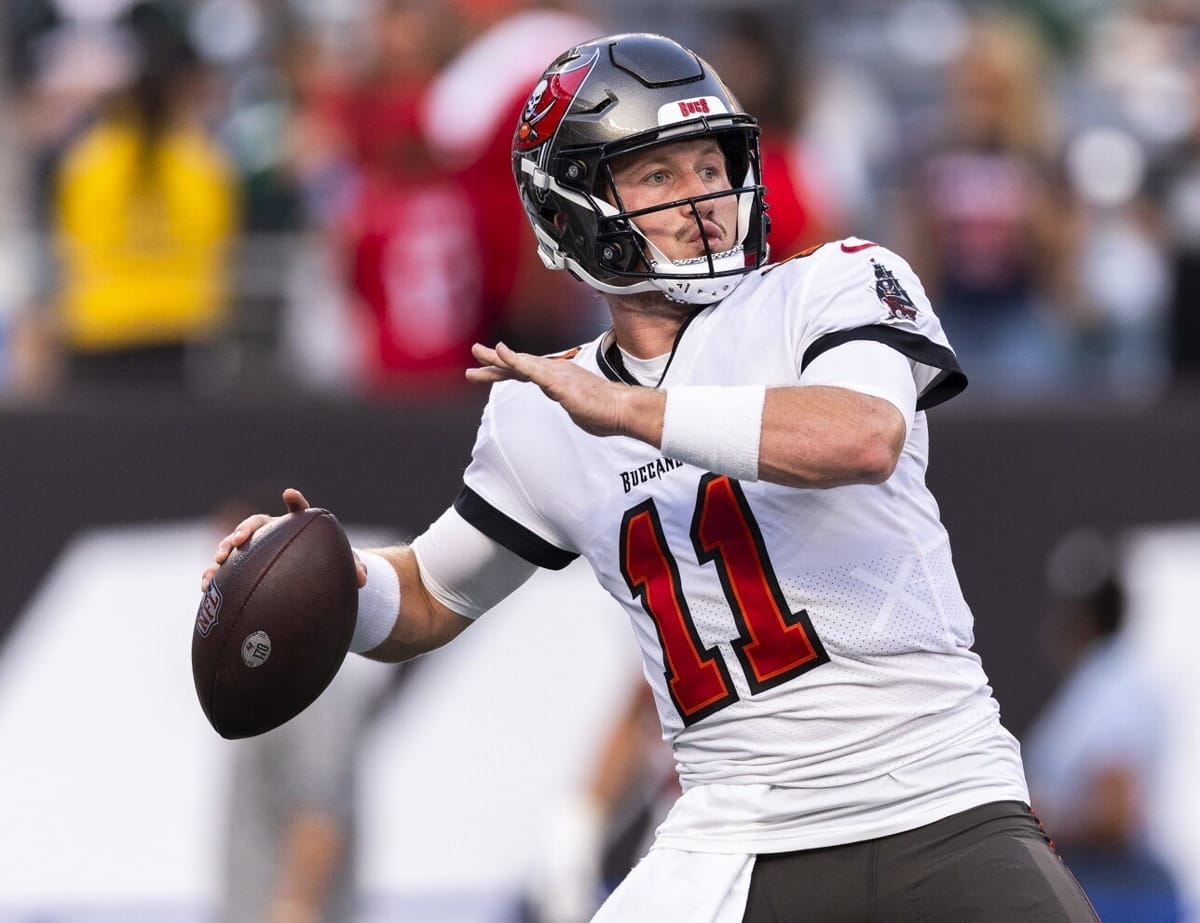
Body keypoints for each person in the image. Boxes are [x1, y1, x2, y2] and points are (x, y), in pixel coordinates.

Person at [204, 33, 1099, 921]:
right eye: (659, 175)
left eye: (711, 165)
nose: (703, 198)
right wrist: (331, 581)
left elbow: (862, 435)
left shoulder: (833, 285)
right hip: (732, 833)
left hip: (939, 794)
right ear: (570, 211)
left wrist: (635, 410)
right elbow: (433, 594)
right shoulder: (543, 411)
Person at [1023, 529, 1183, 922]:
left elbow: (1116, 815)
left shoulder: (1111, 690)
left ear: (1081, 617)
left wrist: (1037, 821)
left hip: (1120, 898)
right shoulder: (1103, 683)